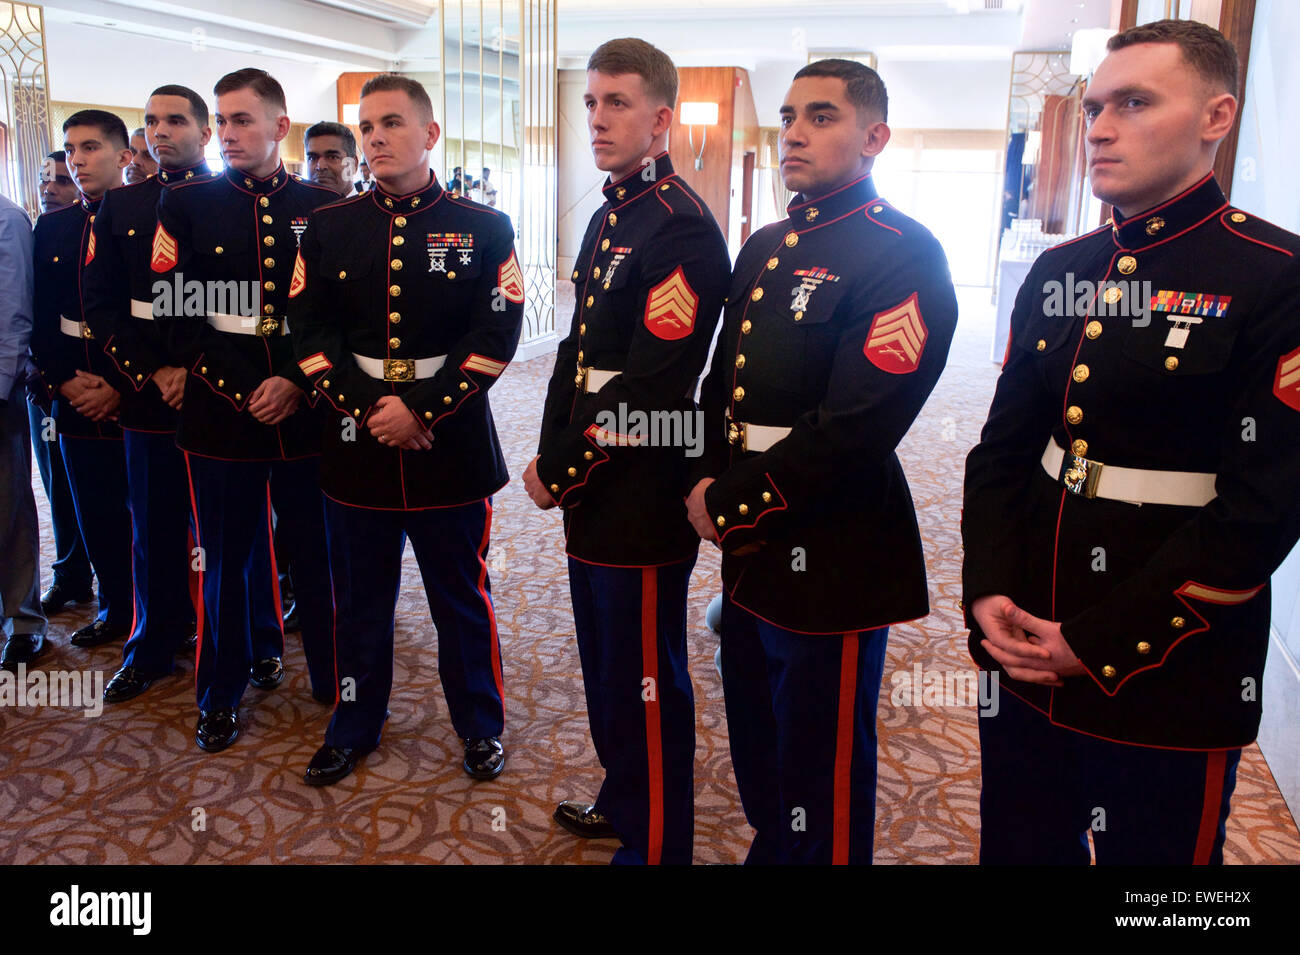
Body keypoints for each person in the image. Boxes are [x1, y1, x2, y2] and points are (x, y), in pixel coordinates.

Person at [962, 19, 1300, 865]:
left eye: (1136, 103)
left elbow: (1262, 510)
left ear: (1216, 117)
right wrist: (989, 591)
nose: (1102, 127)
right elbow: (1001, 454)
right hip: (1025, 636)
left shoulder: (1274, 275)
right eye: (1098, 106)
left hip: (1170, 661)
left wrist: (1102, 639)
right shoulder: (1060, 269)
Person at [685, 59, 957, 865]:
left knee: (822, 758)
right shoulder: (768, 242)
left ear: (874, 138)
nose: (794, 132)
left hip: (833, 540)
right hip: (748, 532)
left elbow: (854, 428)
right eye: (789, 114)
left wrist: (727, 502)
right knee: (758, 733)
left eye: (822, 116)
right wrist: (701, 477)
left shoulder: (903, 251)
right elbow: (719, 385)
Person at [524, 37, 729, 865]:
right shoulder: (614, 212)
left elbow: (649, 387)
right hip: (593, 483)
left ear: (661, 118)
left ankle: (658, 847)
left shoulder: (679, 227)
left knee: (647, 682)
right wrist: (550, 454)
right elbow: (577, 354)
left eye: (617, 103)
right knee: (609, 667)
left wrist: (566, 466)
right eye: (591, 102)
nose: (598, 118)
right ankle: (625, 799)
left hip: (640, 486)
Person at [290, 73, 520, 786]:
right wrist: (368, 407)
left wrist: (422, 407)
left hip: (447, 443)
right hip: (358, 445)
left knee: (461, 596)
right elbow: (309, 331)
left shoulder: (486, 227)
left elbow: (495, 333)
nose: (375, 137)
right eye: (366, 126)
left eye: (391, 122)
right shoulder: (328, 226)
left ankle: (480, 724)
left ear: (430, 135)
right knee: (359, 603)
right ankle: (354, 724)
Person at [152, 68, 338, 752]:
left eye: (242, 120)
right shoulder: (189, 204)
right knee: (224, 559)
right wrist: (241, 388)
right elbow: (176, 308)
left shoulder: (324, 203)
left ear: (280, 126)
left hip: (306, 404)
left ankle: (331, 672)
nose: (227, 134)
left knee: (317, 552)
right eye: (222, 122)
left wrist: (294, 380)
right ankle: (220, 693)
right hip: (220, 411)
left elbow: (336, 314)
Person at [83, 85, 213, 702]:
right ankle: (152, 645)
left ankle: (234, 645)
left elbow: (248, 305)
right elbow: (102, 305)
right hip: (146, 392)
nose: (161, 131)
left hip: (220, 390)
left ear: (205, 131)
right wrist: (153, 371)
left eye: (176, 120)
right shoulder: (121, 205)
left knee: (228, 532)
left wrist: (196, 368)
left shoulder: (235, 200)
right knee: (153, 527)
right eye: (152, 121)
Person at [29, 110, 136, 653]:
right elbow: (39, 316)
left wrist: (121, 384)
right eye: (70, 149)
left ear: (123, 156)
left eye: (90, 147)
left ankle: (161, 611)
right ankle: (116, 606)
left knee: (151, 511)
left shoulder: (151, 219)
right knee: (91, 507)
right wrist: (65, 381)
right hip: (72, 389)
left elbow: (162, 317)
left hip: (135, 393)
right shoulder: (53, 226)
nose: (76, 159)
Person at [29, 150, 94, 618]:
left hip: (97, 379)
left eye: (60, 182)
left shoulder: (105, 227)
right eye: (44, 180)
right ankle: (71, 573)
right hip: (43, 382)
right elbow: (29, 310)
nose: (50, 189)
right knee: (59, 484)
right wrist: (46, 373)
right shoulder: (37, 231)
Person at [0, 191, 47, 673]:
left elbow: (13, 314)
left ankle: (23, 621)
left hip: (0, 389)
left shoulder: (6, 218)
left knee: (7, 508)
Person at [304, 121, 359, 198]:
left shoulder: (372, 209)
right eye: (312, 158)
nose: (320, 166)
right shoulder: (297, 208)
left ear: (353, 165)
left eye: (332, 157)